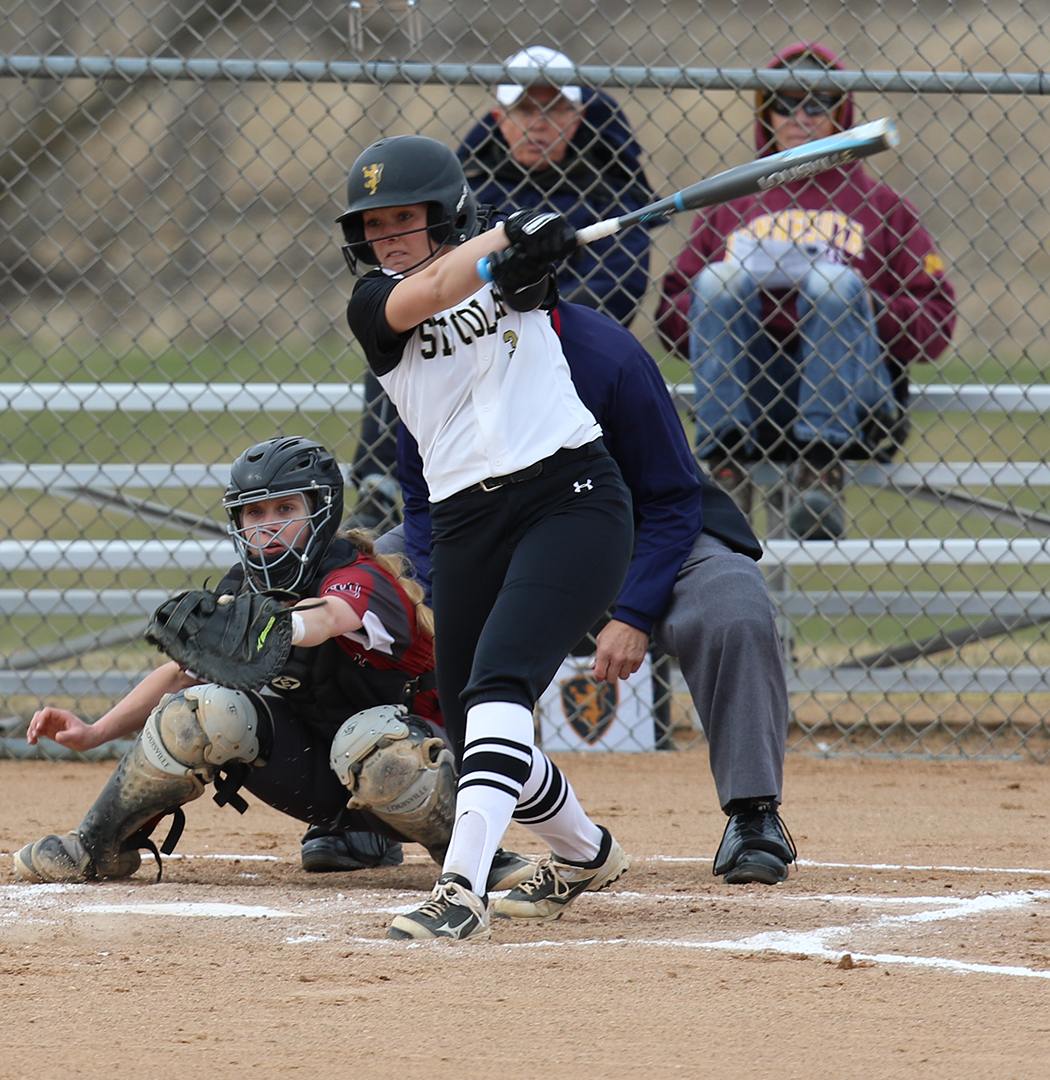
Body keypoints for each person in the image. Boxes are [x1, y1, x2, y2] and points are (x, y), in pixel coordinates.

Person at [9, 437, 533, 893]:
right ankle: (96, 846)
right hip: (325, 777)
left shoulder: (359, 576)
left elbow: (330, 616)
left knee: (371, 739)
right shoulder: (245, 588)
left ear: (321, 511)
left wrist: (272, 624)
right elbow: (179, 675)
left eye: (285, 509)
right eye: (254, 514)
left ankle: (473, 859)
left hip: (423, 771)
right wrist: (93, 732)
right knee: (198, 710)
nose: (268, 527)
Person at [340, 132, 635, 940]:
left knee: (501, 685)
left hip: (570, 496)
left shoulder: (509, 276)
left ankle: (459, 890)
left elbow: (519, 277)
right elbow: (436, 287)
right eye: (375, 223)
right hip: (465, 521)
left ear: (447, 215)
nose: (388, 235)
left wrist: (533, 248)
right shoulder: (373, 304)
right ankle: (586, 852)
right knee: (478, 726)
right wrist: (509, 235)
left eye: (406, 218)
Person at [393, 301, 800, 884]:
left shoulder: (605, 355)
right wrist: (441, 594)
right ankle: (362, 815)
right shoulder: (436, 353)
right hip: (489, 540)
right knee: (378, 575)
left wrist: (634, 614)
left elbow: (671, 498)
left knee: (731, 601)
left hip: (633, 537)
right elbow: (420, 498)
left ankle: (753, 812)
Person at [341, 45, 660, 535]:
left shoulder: (613, 191)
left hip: (562, 334)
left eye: (554, 109)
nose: (539, 124)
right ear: (499, 117)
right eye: (525, 109)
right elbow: (440, 276)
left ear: (577, 117)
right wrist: (509, 251)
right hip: (465, 334)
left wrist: (534, 285)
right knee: (407, 342)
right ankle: (382, 485)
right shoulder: (469, 191)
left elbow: (617, 288)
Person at [657, 40, 957, 541]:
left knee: (833, 282)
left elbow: (936, 326)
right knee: (718, 279)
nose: (800, 115)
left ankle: (821, 471)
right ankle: (726, 468)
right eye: (784, 101)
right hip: (750, 385)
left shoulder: (883, 205)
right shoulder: (730, 203)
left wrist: (861, 303)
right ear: (765, 111)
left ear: (842, 111)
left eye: (817, 102)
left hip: (854, 391)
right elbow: (670, 318)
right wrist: (745, 289)